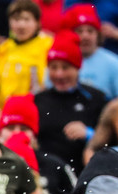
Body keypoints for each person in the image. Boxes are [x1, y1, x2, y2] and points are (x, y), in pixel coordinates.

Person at [33, 32, 108, 173]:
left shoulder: (95, 98)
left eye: (65, 67)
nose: (59, 74)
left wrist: (88, 134)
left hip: (83, 173)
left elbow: (112, 140)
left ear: (77, 68)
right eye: (54, 68)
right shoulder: (38, 100)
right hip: (47, 175)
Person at [63, 4, 118, 100]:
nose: (85, 36)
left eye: (90, 31)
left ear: (98, 35)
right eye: (79, 31)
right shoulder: (61, 64)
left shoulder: (115, 64)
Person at [0, 0, 52, 100]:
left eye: (26, 19)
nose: (21, 25)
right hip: (7, 108)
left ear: (37, 22)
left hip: (36, 107)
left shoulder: (48, 45)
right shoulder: (3, 48)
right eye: (16, 19)